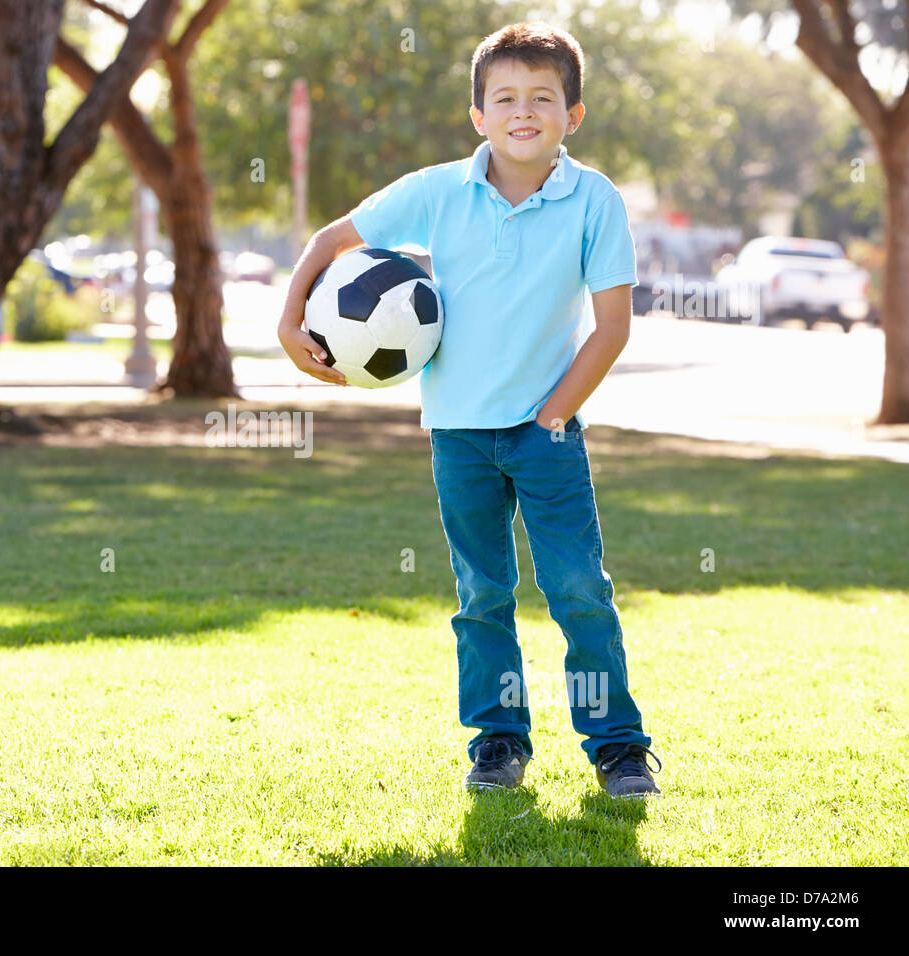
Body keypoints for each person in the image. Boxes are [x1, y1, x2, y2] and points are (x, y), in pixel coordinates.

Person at [277, 21, 662, 798]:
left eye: (543, 98)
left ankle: (617, 745)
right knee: (482, 594)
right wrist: (290, 321)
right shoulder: (436, 192)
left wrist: (555, 415)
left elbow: (612, 328)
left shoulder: (593, 199)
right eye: (506, 98)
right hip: (457, 435)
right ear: (478, 115)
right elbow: (330, 238)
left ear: (573, 115)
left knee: (578, 587)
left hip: (547, 433)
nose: (525, 111)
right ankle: (498, 739)